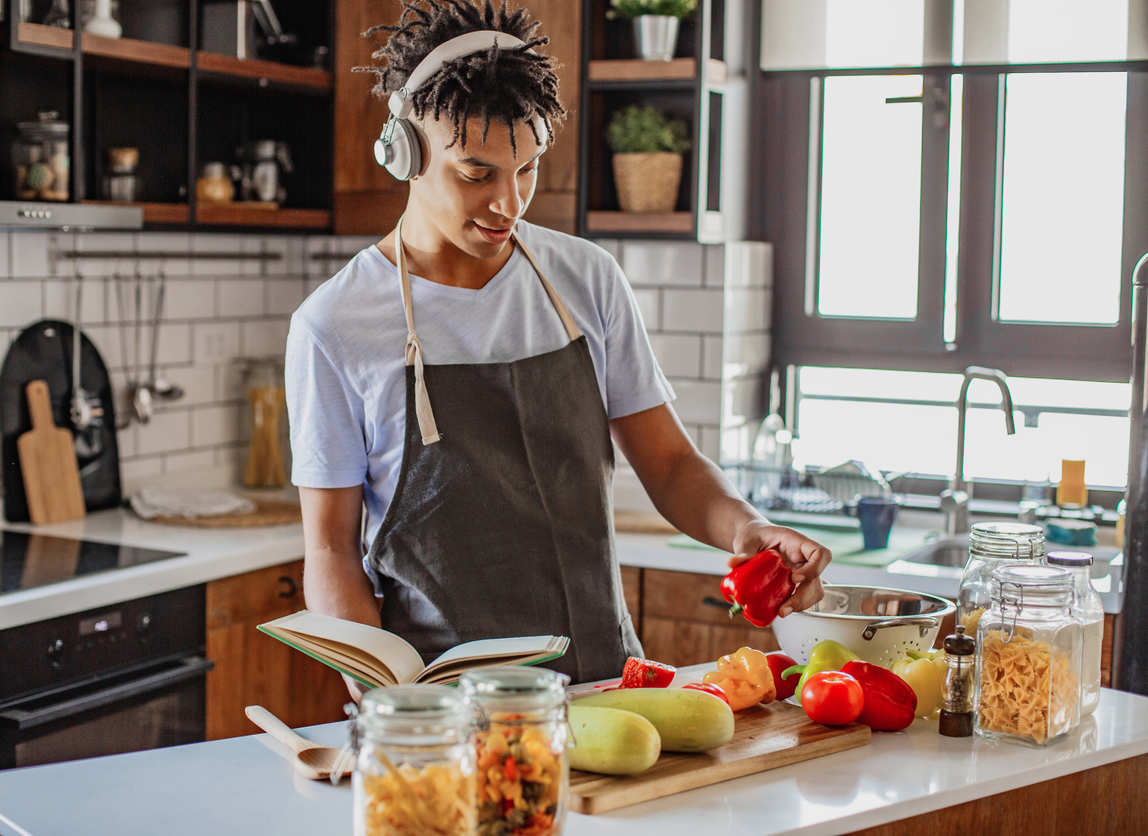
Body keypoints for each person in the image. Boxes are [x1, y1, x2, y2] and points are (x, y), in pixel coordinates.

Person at [286, 0, 831, 692]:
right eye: (476, 173)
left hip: (606, 687)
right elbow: (331, 549)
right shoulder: (334, 325)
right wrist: (394, 707)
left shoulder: (585, 280)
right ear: (405, 154)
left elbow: (667, 464)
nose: (508, 204)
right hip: (446, 708)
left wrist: (746, 530)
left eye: (527, 169)